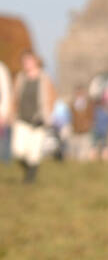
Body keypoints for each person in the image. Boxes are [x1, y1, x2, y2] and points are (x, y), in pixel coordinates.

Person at [11, 52, 55, 183]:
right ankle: (28, 169)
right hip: (22, 119)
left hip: (38, 120)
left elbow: (52, 98)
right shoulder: (20, 78)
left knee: (34, 152)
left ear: (35, 61)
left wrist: (47, 115)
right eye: (24, 61)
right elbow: (15, 97)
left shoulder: (44, 79)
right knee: (18, 150)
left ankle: (30, 179)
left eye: (28, 61)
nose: (26, 64)